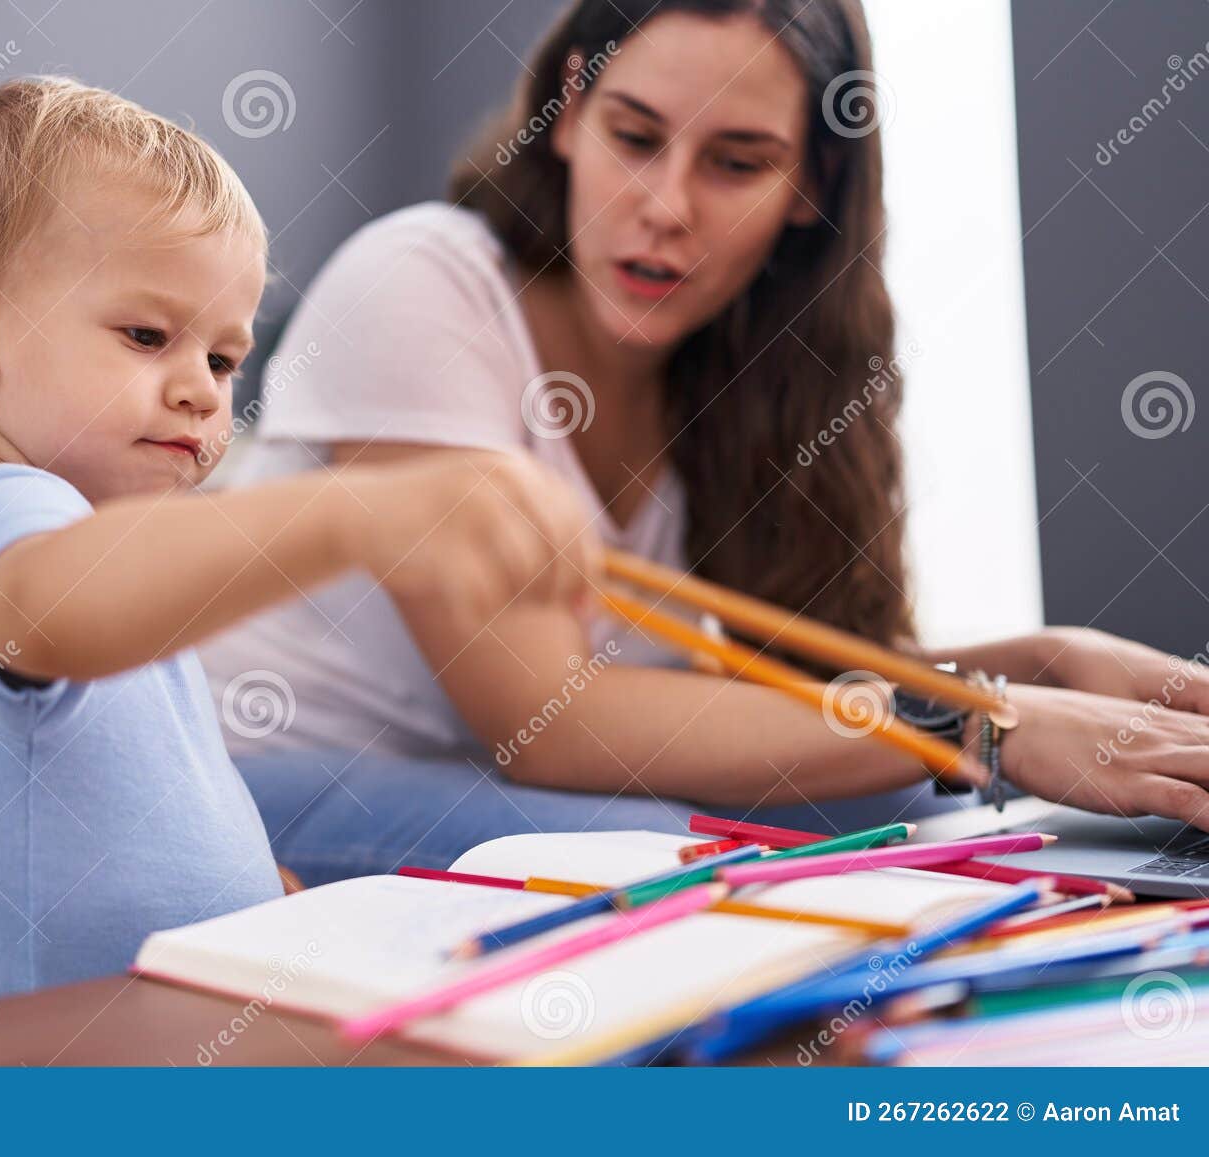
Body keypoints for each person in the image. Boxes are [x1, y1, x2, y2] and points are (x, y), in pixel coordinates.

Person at [201, 0, 1209, 885]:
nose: (665, 206)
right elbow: (549, 724)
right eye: (634, 136)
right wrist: (987, 723)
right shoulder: (420, 281)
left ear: (812, 182)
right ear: (569, 109)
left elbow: (755, 694)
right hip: (271, 772)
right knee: (684, 862)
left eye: (735, 162)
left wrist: (1043, 663)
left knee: (928, 817)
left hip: (484, 772)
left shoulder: (738, 370)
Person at [0, 77, 599, 996]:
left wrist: (265, 890)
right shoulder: (2, 516)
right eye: (146, 335)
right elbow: (63, 604)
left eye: (223, 357)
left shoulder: (130, 555)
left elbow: (162, 804)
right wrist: (353, 511)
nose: (202, 391)